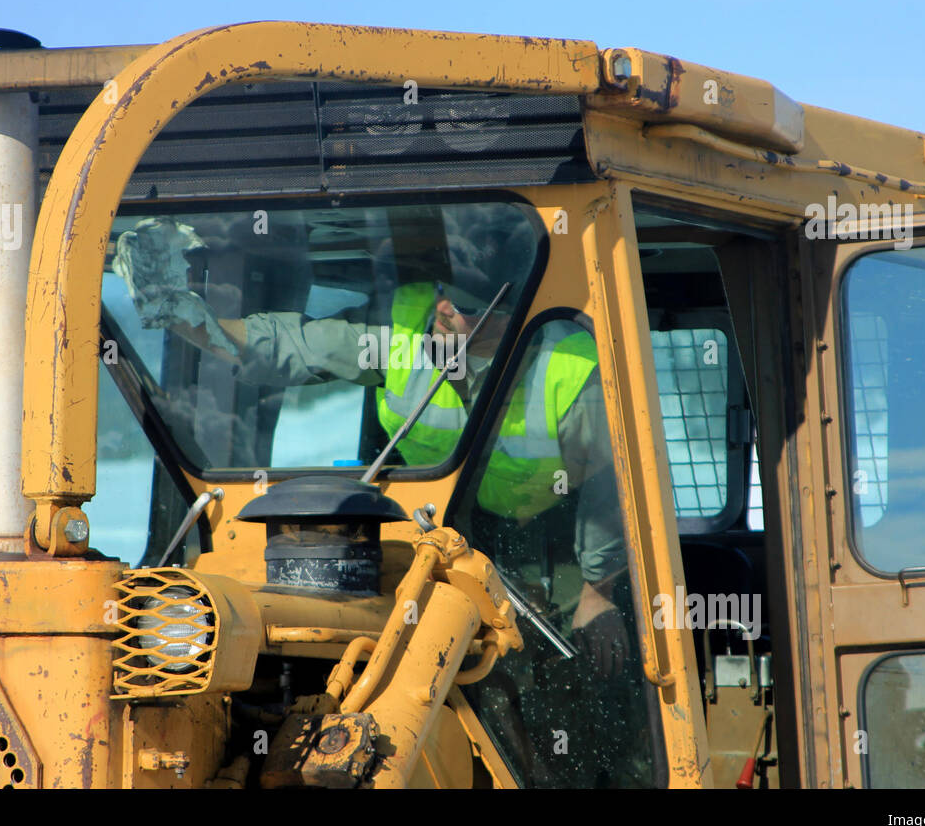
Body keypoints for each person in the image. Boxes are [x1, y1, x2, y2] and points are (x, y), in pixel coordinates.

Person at [114, 215, 633, 677]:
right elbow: (288, 347)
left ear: (515, 310)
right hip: (446, 535)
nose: (447, 309)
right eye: (443, 293)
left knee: (562, 676)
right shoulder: (399, 334)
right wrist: (180, 312)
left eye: (470, 305)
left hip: (554, 544)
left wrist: (597, 592)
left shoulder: (575, 371)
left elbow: (613, 490)